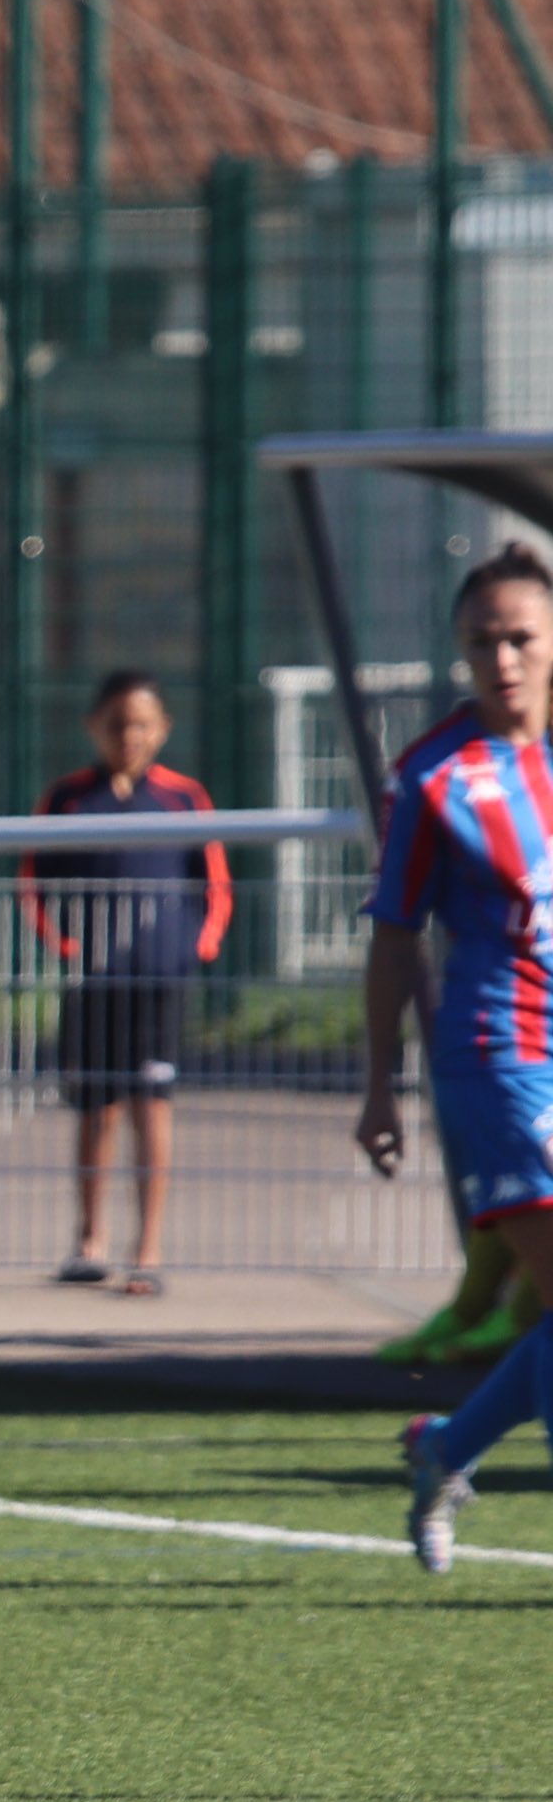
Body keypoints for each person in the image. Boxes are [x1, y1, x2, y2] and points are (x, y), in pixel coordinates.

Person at [369, 546, 553, 1574]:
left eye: (520, 635)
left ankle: (442, 1448)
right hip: (498, 1054)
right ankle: (444, 1451)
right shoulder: (434, 775)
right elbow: (392, 936)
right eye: (481, 640)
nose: (502, 657)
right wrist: (376, 1089)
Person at [21, 672, 229, 1294]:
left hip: (159, 980)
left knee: (152, 1107)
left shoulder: (184, 798)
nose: (128, 736)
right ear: (94, 727)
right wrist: (62, 944)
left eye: (141, 723)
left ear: (162, 729)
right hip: (93, 981)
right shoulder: (67, 799)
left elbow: (214, 880)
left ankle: (149, 1250)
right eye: (116, 723)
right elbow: (33, 877)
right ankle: (90, 1240)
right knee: (96, 1108)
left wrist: (199, 944)